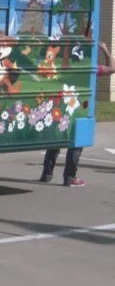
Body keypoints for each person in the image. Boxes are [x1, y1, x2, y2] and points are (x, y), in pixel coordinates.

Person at [41, 40, 114, 186]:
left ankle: (47, 174)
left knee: (56, 139)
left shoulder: (64, 69)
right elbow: (112, 68)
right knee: (76, 142)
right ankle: (69, 177)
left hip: (61, 108)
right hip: (80, 109)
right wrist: (105, 50)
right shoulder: (90, 69)